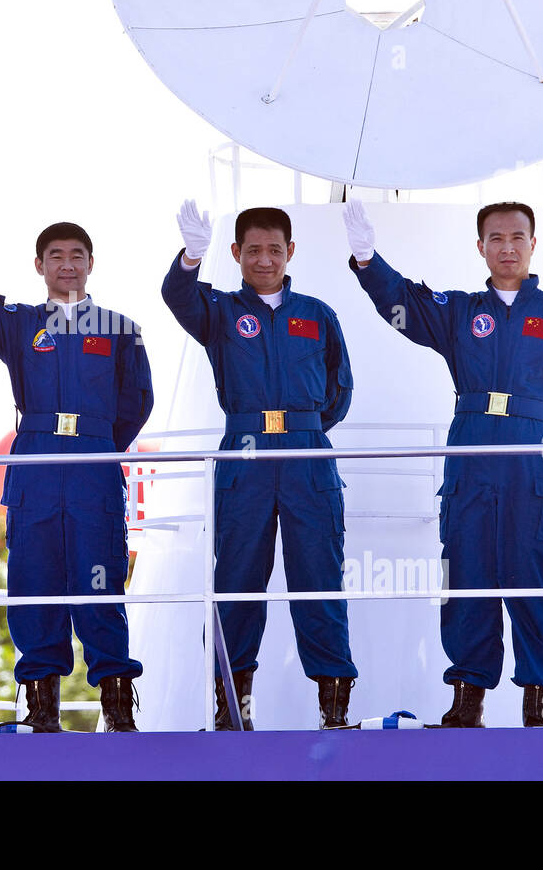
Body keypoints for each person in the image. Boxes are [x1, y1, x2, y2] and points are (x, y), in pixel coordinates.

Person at [343, 199, 543, 727]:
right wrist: (368, 261)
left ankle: (539, 699)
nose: (507, 247)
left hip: (532, 464)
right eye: (495, 238)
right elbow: (404, 308)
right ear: (480, 247)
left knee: (532, 579)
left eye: (517, 237)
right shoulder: (460, 312)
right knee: (466, 576)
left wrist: (539, 439)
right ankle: (467, 698)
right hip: (472, 458)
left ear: (533, 243)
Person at [0, 201, 152, 732]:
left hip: (94, 466)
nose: (67, 264)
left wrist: (99, 444)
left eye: (77, 256)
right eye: (56, 256)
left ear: (92, 263)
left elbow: (138, 400)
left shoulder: (121, 329)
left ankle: (117, 706)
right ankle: (41, 708)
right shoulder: (19, 324)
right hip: (36, 466)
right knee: (34, 584)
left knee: (99, 583)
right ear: (38, 265)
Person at [162, 200, 357, 730]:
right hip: (244, 454)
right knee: (237, 579)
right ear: (236, 254)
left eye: (275, 249)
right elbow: (176, 297)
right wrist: (190, 257)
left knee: (319, 577)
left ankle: (334, 709)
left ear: (290, 252)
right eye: (253, 250)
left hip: (306, 455)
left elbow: (340, 389)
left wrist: (304, 432)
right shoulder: (220, 312)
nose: (265, 259)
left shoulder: (317, 315)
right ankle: (232, 704)